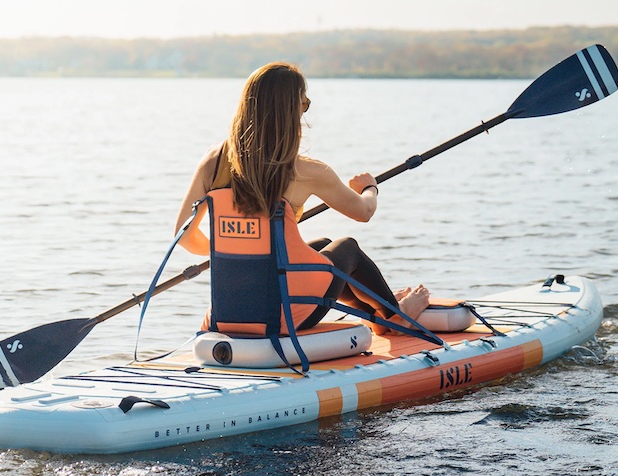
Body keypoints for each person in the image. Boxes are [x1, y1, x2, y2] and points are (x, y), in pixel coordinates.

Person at [174, 61, 429, 335]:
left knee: (322, 246)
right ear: (289, 111)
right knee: (347, 248)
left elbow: (184, 236)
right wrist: (370, 187)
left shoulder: (213, 160)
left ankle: (377, 314)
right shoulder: (307, 171)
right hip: (282, 317)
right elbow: (364, 212)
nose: (304, 111)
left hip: (229, 312)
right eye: (303, 104)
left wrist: (235, 247)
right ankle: (397, 316)